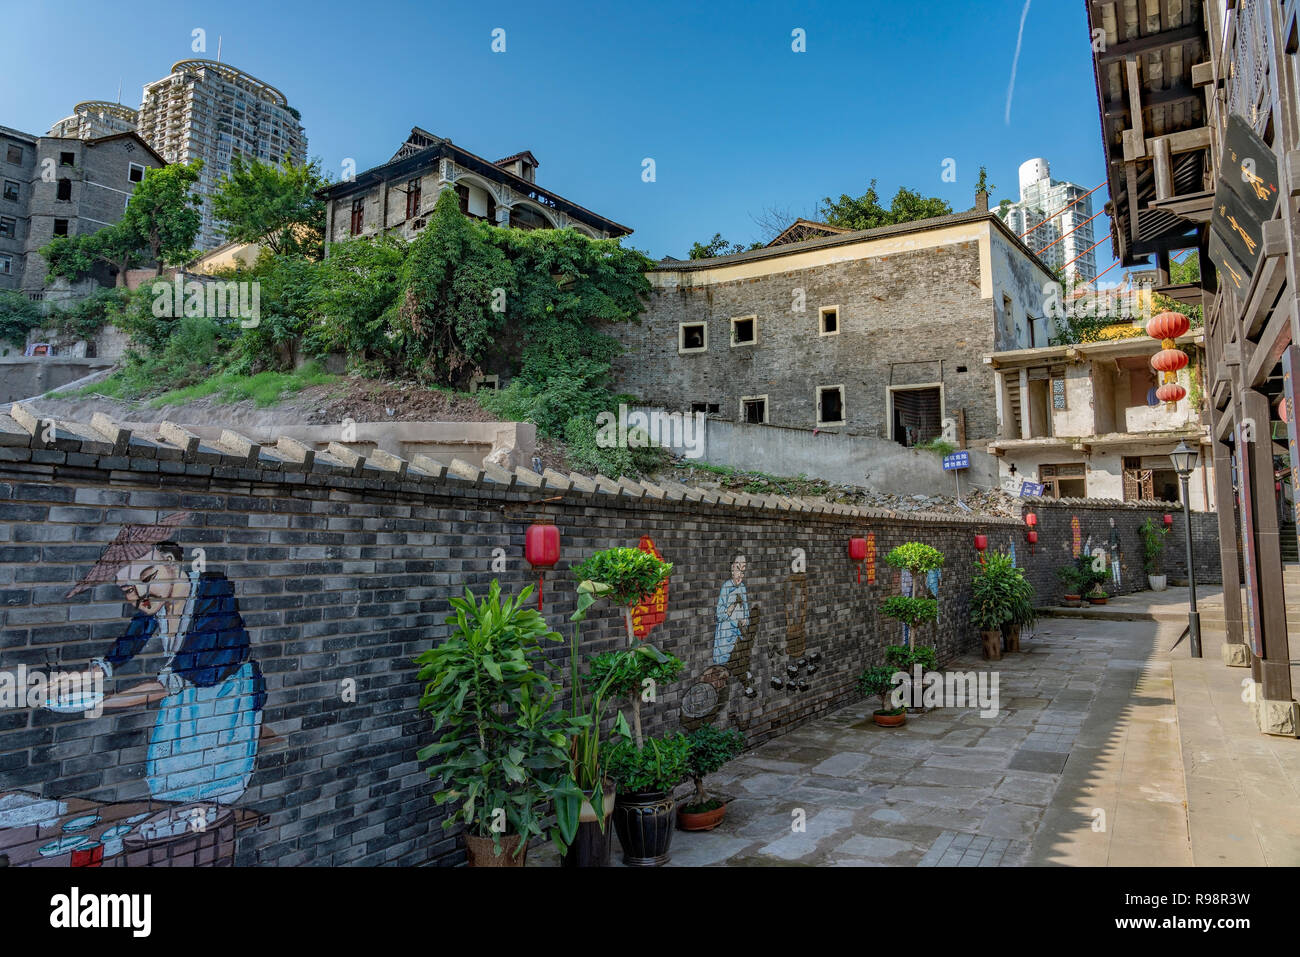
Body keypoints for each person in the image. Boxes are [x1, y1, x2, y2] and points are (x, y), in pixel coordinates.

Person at [68, 521, 264, 806]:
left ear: (170, 562)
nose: (141, 596)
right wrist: (98, 670)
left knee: (215, 782)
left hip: (227, 696)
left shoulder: (214, 597)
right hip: (183, 695)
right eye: (128, 590)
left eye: (148, 577)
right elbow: (131, 639)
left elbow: (165, 685)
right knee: (168, 779)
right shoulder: (156, 603)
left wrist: (97, 702)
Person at [714, 554, 749, 665]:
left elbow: (746, 610)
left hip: (737, 634)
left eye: (743, 570)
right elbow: (719, 615)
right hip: (726, 634)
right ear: (732, 569)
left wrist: (745, 620)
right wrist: (730, 608)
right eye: (738, 569)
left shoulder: (742, 588)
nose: (740, 574)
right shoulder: (726, 587)